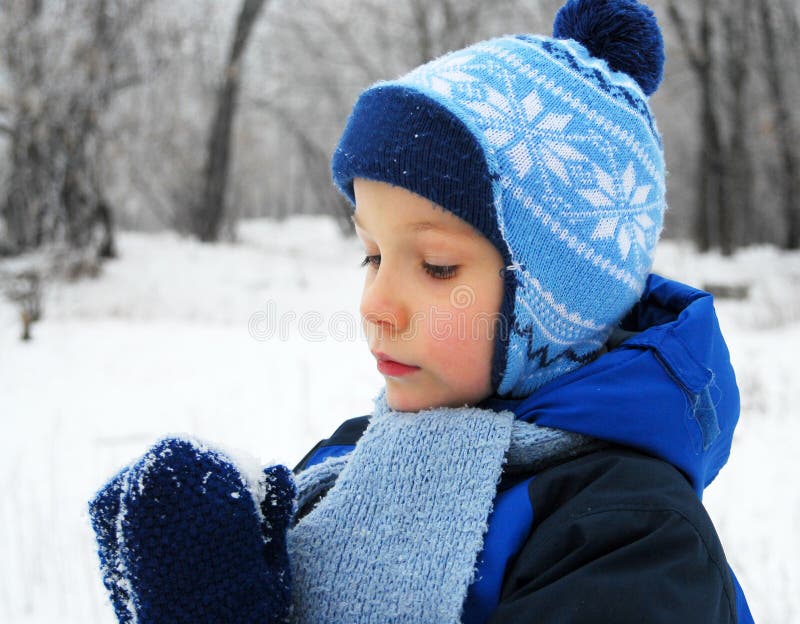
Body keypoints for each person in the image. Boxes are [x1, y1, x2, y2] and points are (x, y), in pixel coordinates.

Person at [89, 0, 755, 622]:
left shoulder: (627, 535)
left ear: (561, 305)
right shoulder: (348, 459)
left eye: (436, 267)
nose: (376, 305)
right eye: (372, 255)